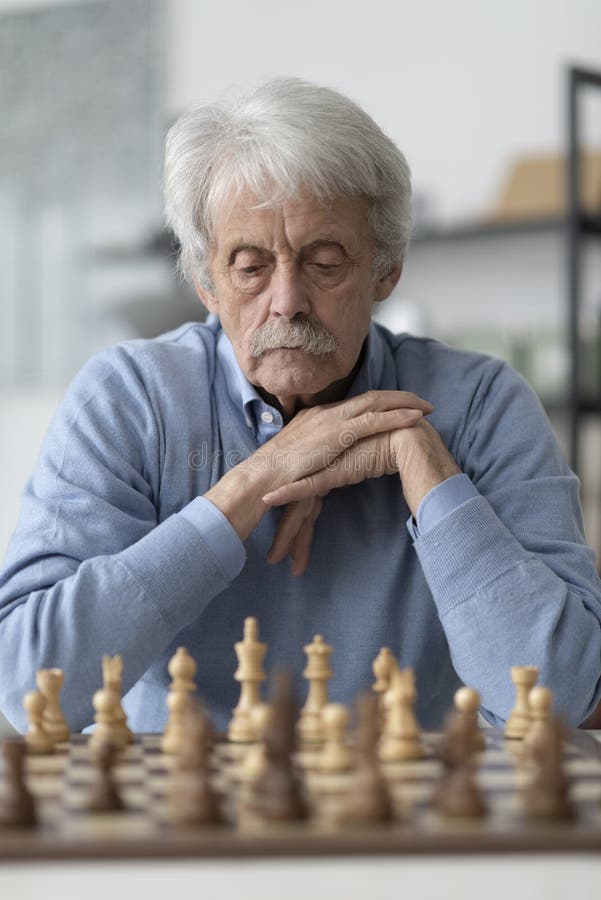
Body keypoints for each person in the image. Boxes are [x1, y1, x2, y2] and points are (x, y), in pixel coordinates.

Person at [1, 78, 600, 735]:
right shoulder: (127, 401)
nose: (286, 301)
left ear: (386, 269)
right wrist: (253, 483)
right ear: (204, 280)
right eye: (250, 266)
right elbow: (28, 690)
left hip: (410, 796)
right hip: (179, 798)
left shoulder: (482, 405)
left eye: (324, 262)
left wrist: (422, 461)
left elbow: (566, 699)